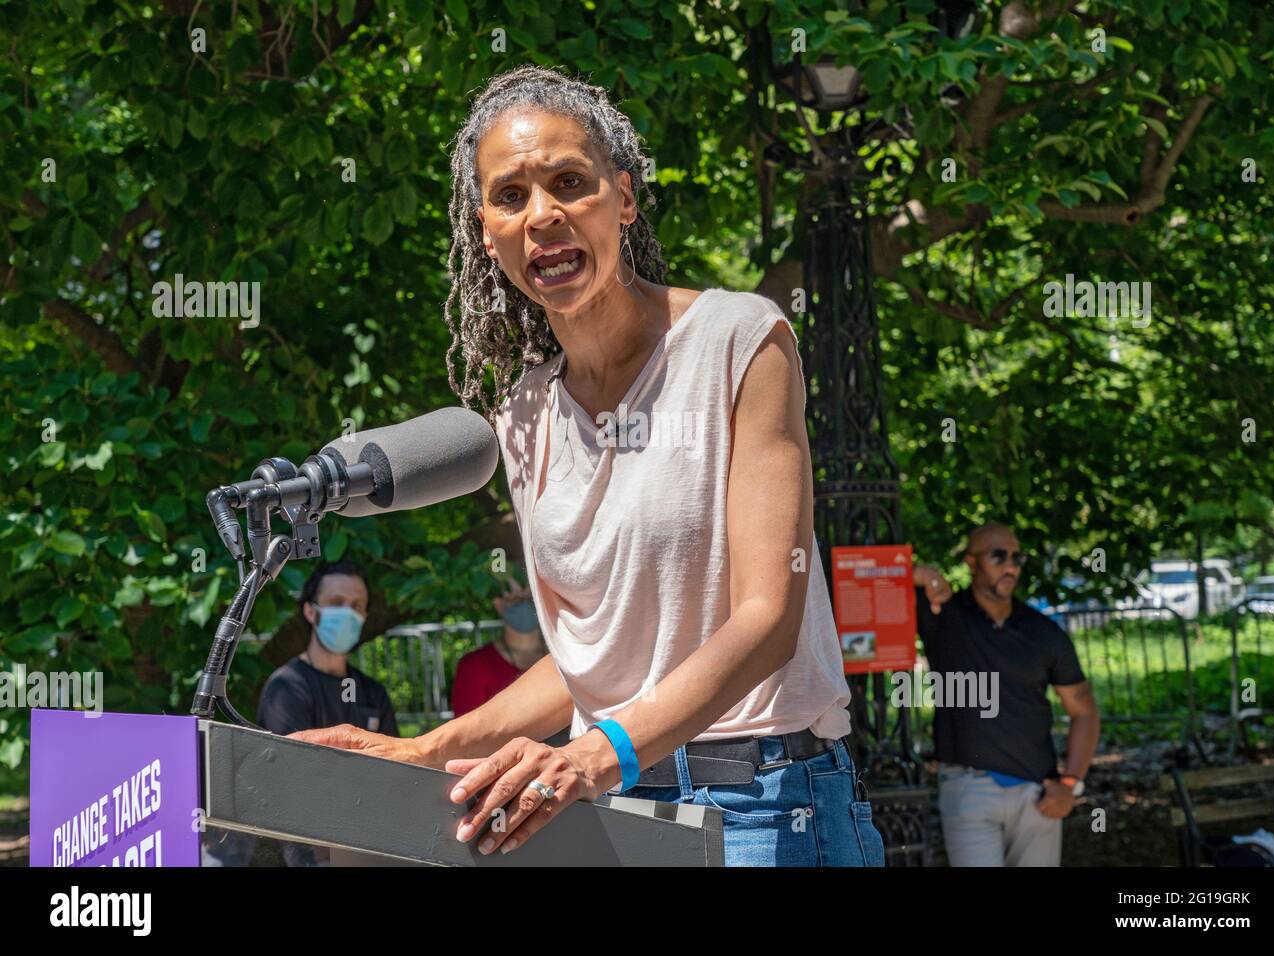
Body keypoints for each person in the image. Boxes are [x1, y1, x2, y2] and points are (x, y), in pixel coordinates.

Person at [292, 65, 884, 867]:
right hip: (606, 813)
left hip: (764, 805)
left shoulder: (741, 342)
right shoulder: (523, 417)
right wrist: (429, 750)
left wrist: (588, 757)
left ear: (624, 199)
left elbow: (766, 621)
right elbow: (588, 667)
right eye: (511, 197)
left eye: (571, 182)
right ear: (486, 231)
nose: (544, 216)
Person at [914, 523, 1101, 866]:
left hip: (1037, 793)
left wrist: (1070, 784)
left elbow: (1084, 711)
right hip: (968, 788)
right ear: (972, 562)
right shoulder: (945, 616)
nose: (1011, 565)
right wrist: (922, 573)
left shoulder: (1043, 632)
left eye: (1017, 557)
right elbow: (873, 584)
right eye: (998, 555)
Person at [258, 560, 398, 865]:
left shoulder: (374, 693)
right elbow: (291, 787)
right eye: (336, 603)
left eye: (356, 605)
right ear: (311, 611)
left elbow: (395, 775)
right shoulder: (286, 688)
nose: (347, 612)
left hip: (369, 849)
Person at [451, 582, 548, 717]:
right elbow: (466, 731)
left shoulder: (566, 658)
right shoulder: (474, 666)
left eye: (531, 598)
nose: (524, 605)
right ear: (498, 603)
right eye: (515, 598)